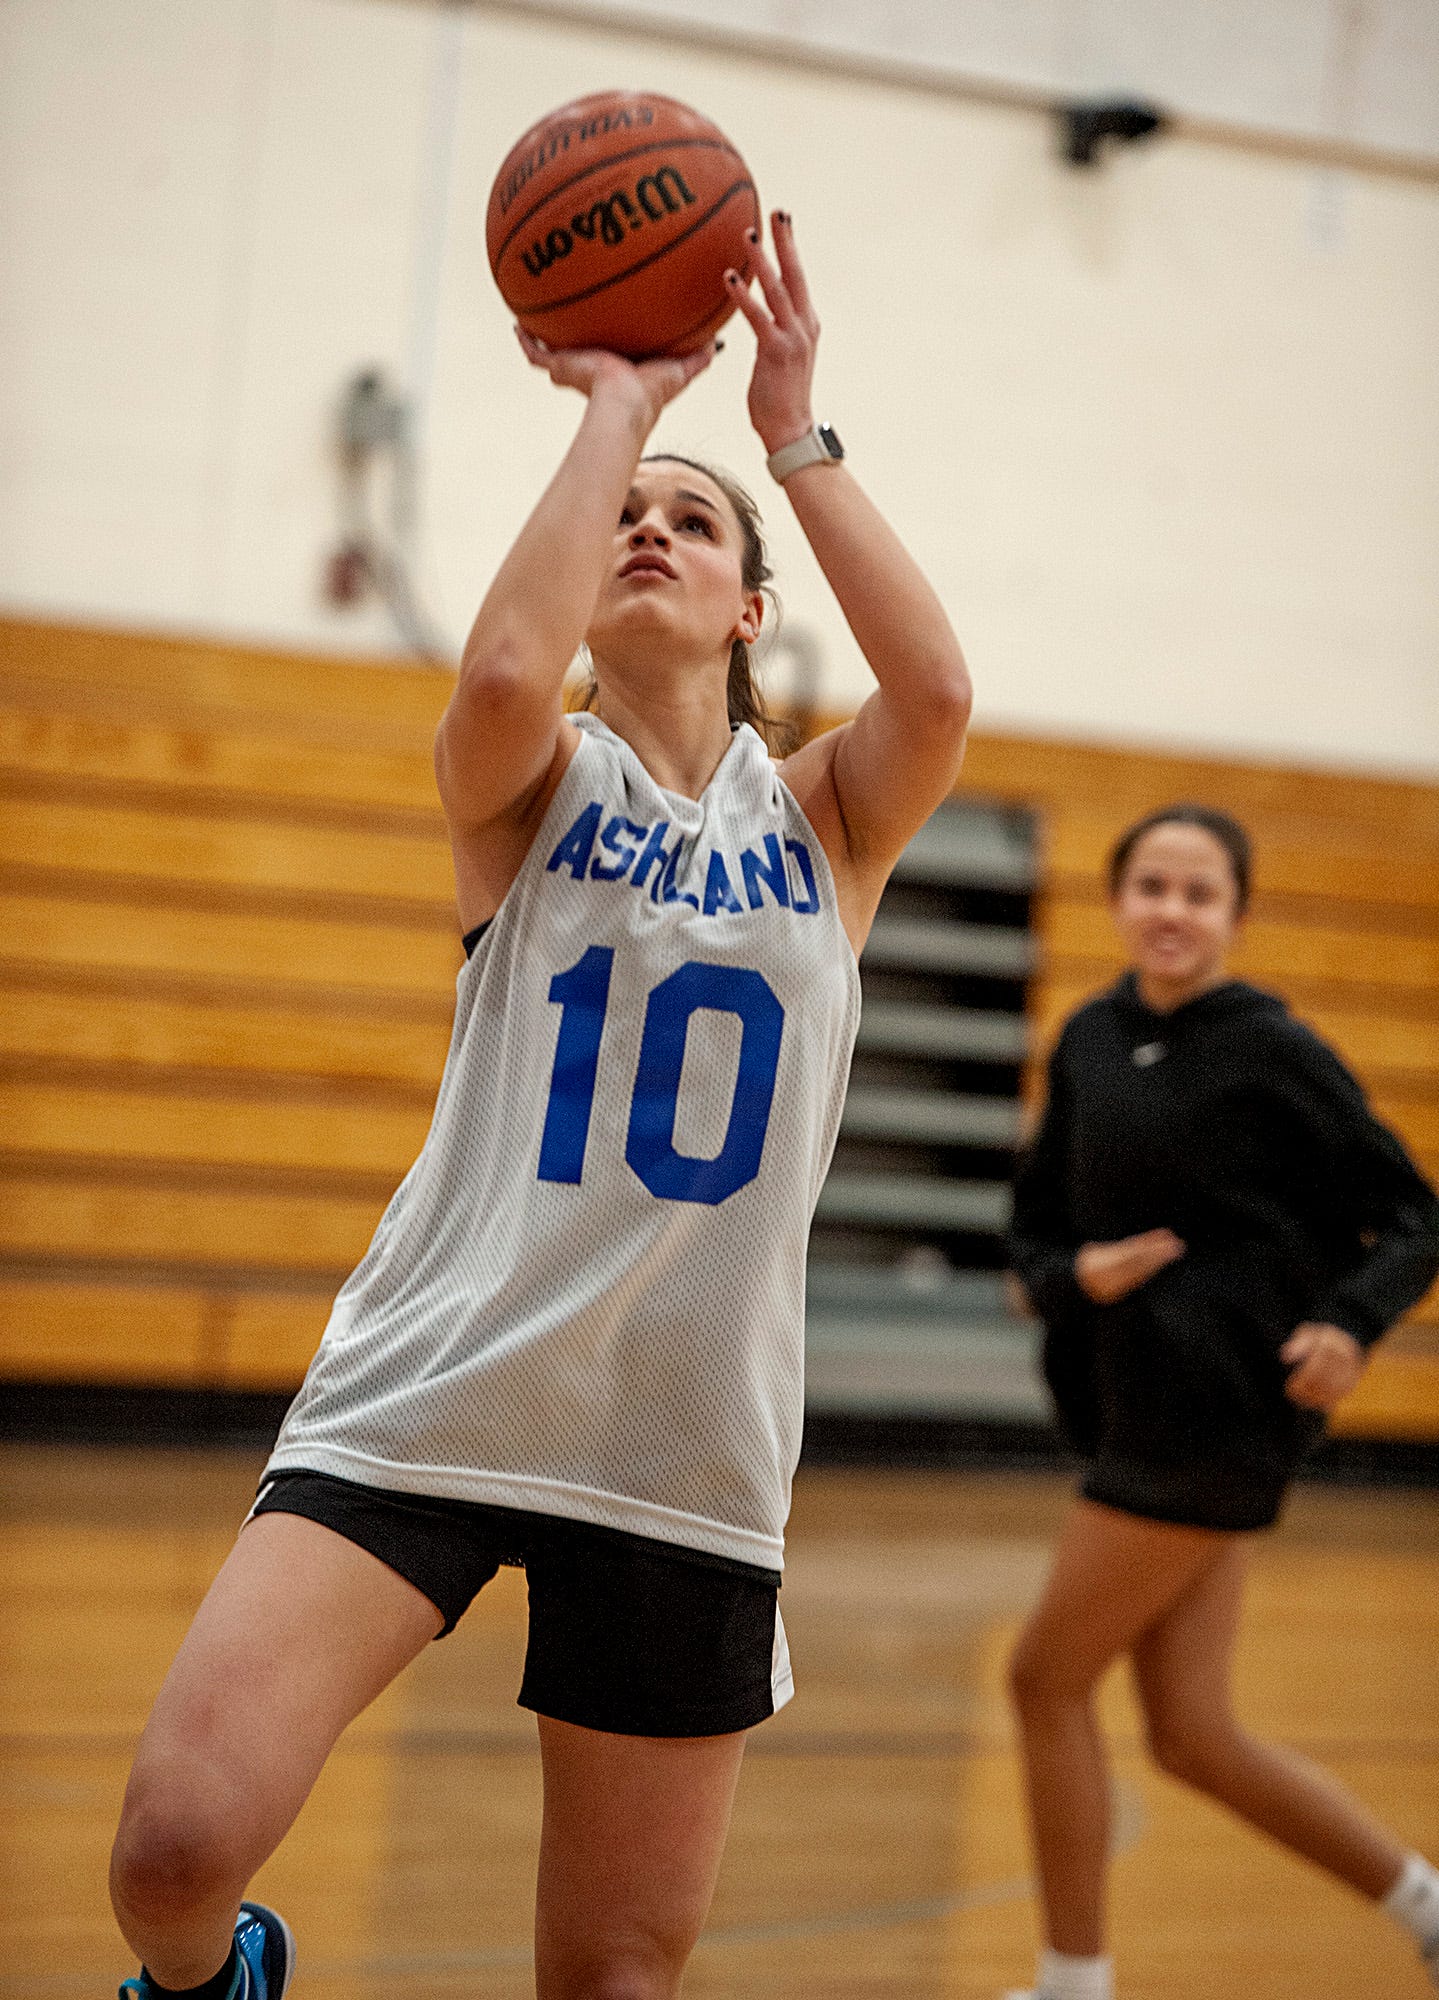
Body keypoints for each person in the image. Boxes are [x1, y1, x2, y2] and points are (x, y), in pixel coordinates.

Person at [107, 212, 973, 2000]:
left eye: (693, 516)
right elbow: (500, 672)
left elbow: (940, 688)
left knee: (612, 1979)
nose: (649, 522)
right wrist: (616, 401)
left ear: (749, 608)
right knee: (173, 1850)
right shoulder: (528, 782)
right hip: (436, 1387)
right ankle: (216, 1977)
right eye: (625, 513)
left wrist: (791, 432)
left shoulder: (822, 824)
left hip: (681, 1449)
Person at [1003, 803, 1439, 2000]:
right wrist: (1070, 1276)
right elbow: (1034, 1229)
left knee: (1041, 1680)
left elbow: (1414, 1214)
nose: (1172, 909)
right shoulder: (1087, 1040)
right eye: (1151, 883)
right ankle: (1427, 1905)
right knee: (1193, 1734)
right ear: (1117, 898)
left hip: (1215, 1417)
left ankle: (1070, 1983)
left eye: (1199, 892)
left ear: (1235, 916)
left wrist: (1349, 1324)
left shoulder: (1272, 1048)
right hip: (1126, 1404)